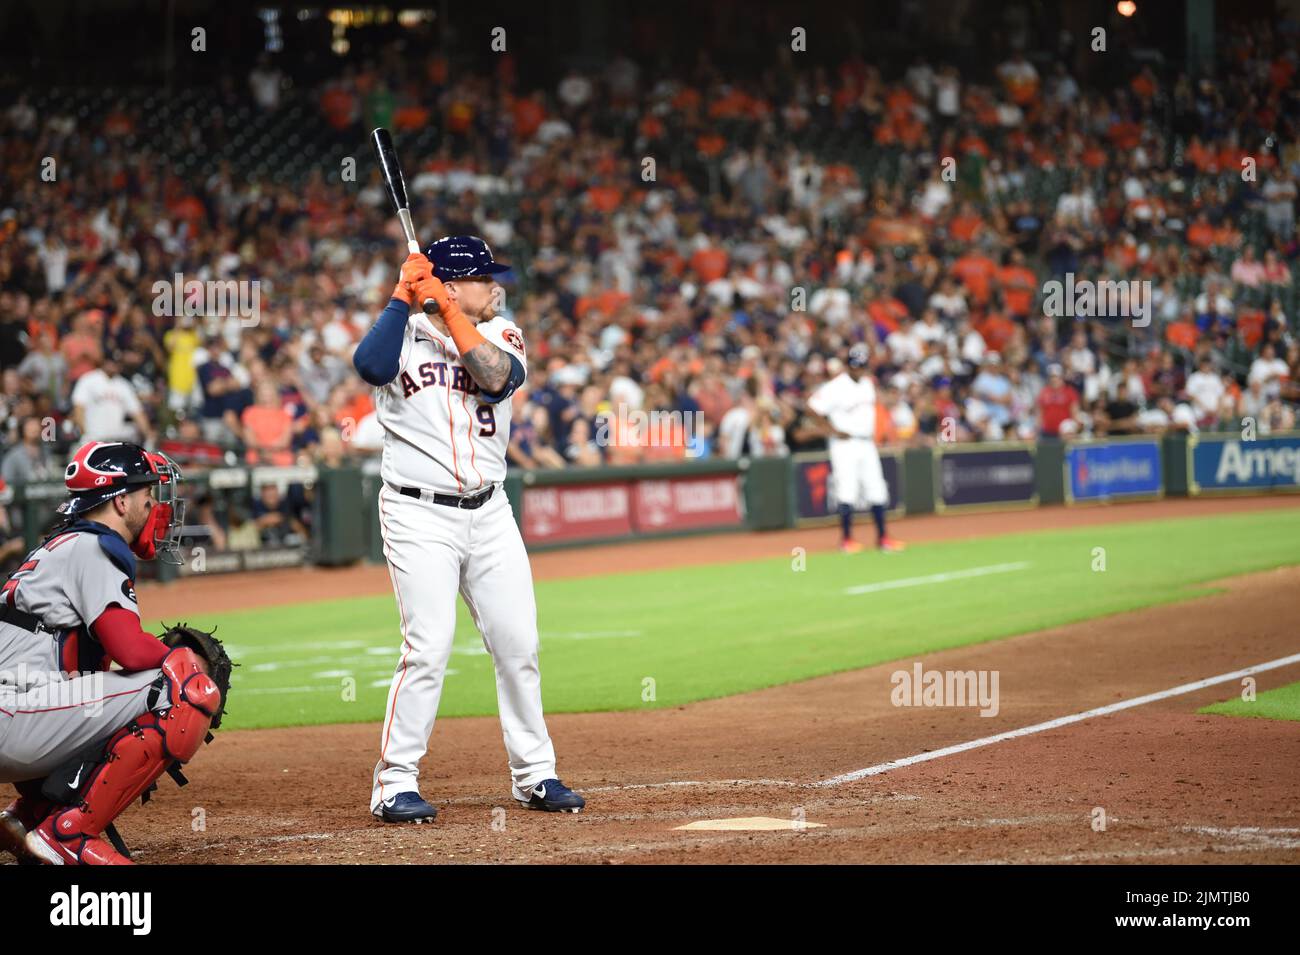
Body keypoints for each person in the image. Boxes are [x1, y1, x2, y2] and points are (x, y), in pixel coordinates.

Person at [351, 236, 584, 823]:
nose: (496, 285)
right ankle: (394, 782)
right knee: (427, 648)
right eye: (484, 277)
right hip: (416, 511)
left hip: (490, 509)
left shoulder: (500, 330)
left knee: (518, 645)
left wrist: (450, 310)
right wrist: (403, 295)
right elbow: (368, 366)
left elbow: (498, 378)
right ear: (452, 284)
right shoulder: (397, 334)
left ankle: (535, 775)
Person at [0, 442, 224, 865]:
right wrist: (185, 662)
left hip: (17, 714)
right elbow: (128, 648)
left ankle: (28, 818)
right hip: (13, 719)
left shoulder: (64, 546)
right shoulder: (92, 546)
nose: (155, 507)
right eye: (148, 496)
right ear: (121, 502)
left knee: (117, 695)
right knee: (184, 688)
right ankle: (69, 834)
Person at [805, 345, 904, 553]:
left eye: (862, 366)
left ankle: (883, 538)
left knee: (876, 488)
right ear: (848, 365)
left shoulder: (867, 384)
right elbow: (811, 407)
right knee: (847, 490)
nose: (858, 369)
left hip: (867, 443)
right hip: (845, 444)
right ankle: (846, 540)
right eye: (855, 366)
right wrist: (831, 430)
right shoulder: (836, 386)